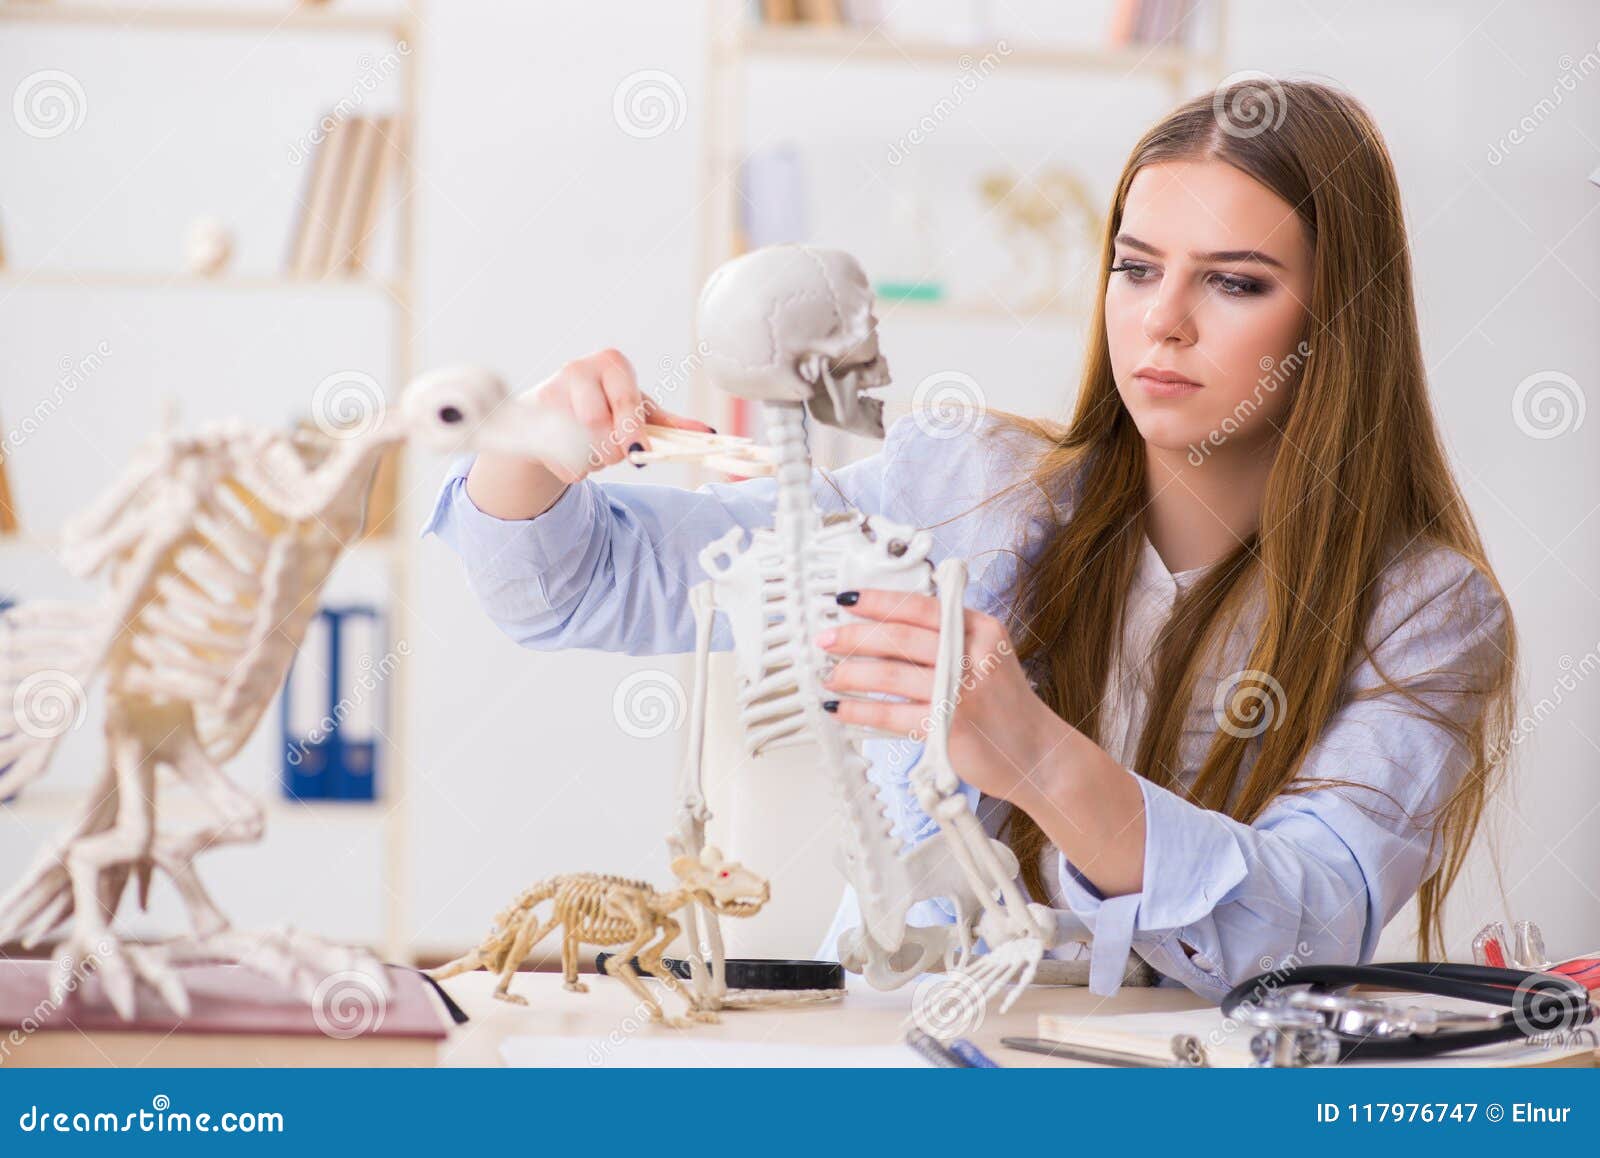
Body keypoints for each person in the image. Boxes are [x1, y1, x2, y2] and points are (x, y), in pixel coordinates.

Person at [422, 79, 1515, 999]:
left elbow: (1302, 936)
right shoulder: (964, 483)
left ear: (1337, 318)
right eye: (1136, 269)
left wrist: (1036, 756)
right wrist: (529, 449)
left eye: (1233, 282)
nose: (1162, 320)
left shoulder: (1426, 612)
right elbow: (573, 587)